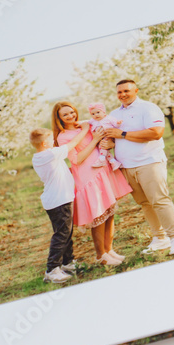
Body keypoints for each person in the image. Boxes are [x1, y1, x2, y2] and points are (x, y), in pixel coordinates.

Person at [101, 79, 174, 256]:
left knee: (160, 200)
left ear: (136, 90)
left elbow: (156, 133)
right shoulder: (114, 114)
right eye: (119, 92)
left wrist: (122, 134)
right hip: (126, 166)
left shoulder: (148, 108)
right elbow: (114, 137)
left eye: (126, 91)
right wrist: (108, 142)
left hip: (149, 162)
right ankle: (159, 238)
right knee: (144, 203)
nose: (123, 95)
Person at [52, 101, 133, 266]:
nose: (70, 116)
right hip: (88, 176)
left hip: (103, 171)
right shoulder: (63, 136)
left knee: (110, 213)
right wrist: (94, 139)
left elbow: (104, 137)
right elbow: (77, 159)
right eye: (65, 114)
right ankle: (100, 255)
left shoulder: (85, 125)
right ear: (59, 118)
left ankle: (109, 250)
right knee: (99, 216)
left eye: (72, 112)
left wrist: (107, 142)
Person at [30, 123, 89, 284]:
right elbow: (71, 145)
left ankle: (67, 262)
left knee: (66, 232)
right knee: (62, 234)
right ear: (44, 144)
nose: (54, 141)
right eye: (51, 139)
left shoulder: (45, 155)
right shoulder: (48, 155)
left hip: (60, 198)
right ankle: (51, 269)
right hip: (58, 200)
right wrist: (84, 130)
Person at [87, 102, 123, 170]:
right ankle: (113, 162)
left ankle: (101, 159)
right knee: (105, 149)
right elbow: (87, 122)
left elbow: (115, 124)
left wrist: (118, 123)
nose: (96, 115)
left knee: (103, 145)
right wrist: (79, 124)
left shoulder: (109, 118)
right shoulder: (93, 120)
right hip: (100, 137)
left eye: (98, 112)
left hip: (107, 135)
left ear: (103, 112)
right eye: (93, 114)